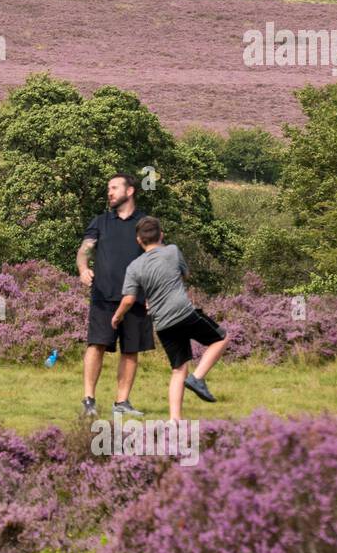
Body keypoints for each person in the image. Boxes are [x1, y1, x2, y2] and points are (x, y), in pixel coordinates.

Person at [112, 216, 227, 420]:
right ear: (161, 235)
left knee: (178, 368)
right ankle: (197, 378)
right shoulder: (172, 251)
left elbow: (128, 299)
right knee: (220, 339)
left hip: (162, 323)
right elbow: (185, 274)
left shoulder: (134, 267)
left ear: (139, 240)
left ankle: (175, 420)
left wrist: (117, 316)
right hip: (183, 313)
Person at [76, 173, 153, 418]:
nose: (109, 192)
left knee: (131, 350)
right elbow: (84, 250)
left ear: (129, 191)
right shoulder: (99, 222)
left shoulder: (146, 223)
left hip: (137, 298)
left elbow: (155, 259)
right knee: (96, 344)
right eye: (108, 188)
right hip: (103, 296)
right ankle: (89, 400)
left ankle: (122, 402)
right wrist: (83, 268)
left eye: (114, 187)